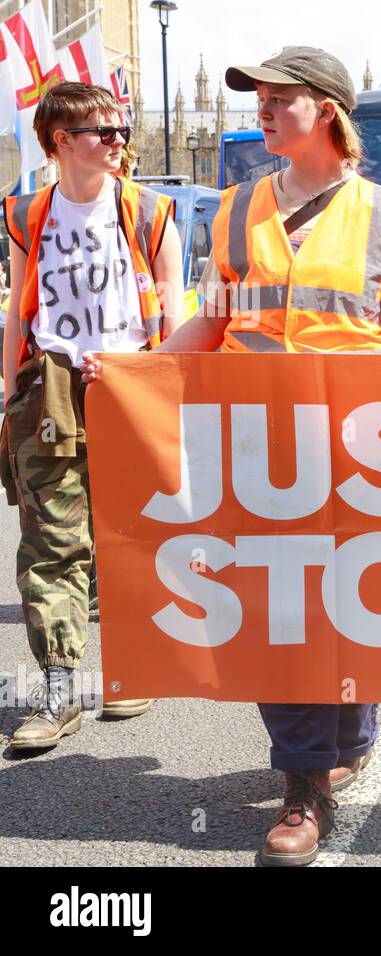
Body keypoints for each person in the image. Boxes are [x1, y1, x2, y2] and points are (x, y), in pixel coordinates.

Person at [85, 46, 381, 866]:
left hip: (358, 447)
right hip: (256, 445)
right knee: (279, 612)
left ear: (326, 108)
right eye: (257, 96)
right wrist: (133, 367)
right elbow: (209, 327)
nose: (261, 108)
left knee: (352, 606)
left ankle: (350, 730)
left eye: (279, 96)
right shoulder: (229, 211)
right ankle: (302, 786)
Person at [1, 82, 183, 749]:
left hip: (133, 381)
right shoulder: (25, 215)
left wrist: (171, 391)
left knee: (131, 531)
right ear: (60, 141)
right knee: (51, 542)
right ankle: (57, 690)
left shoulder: (149, 210)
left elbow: (174, 302)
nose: (117, 142)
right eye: (101, 132)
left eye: (119, 130)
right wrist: (13, 394)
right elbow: (17, 306)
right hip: (49, 384)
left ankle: (135, 665)